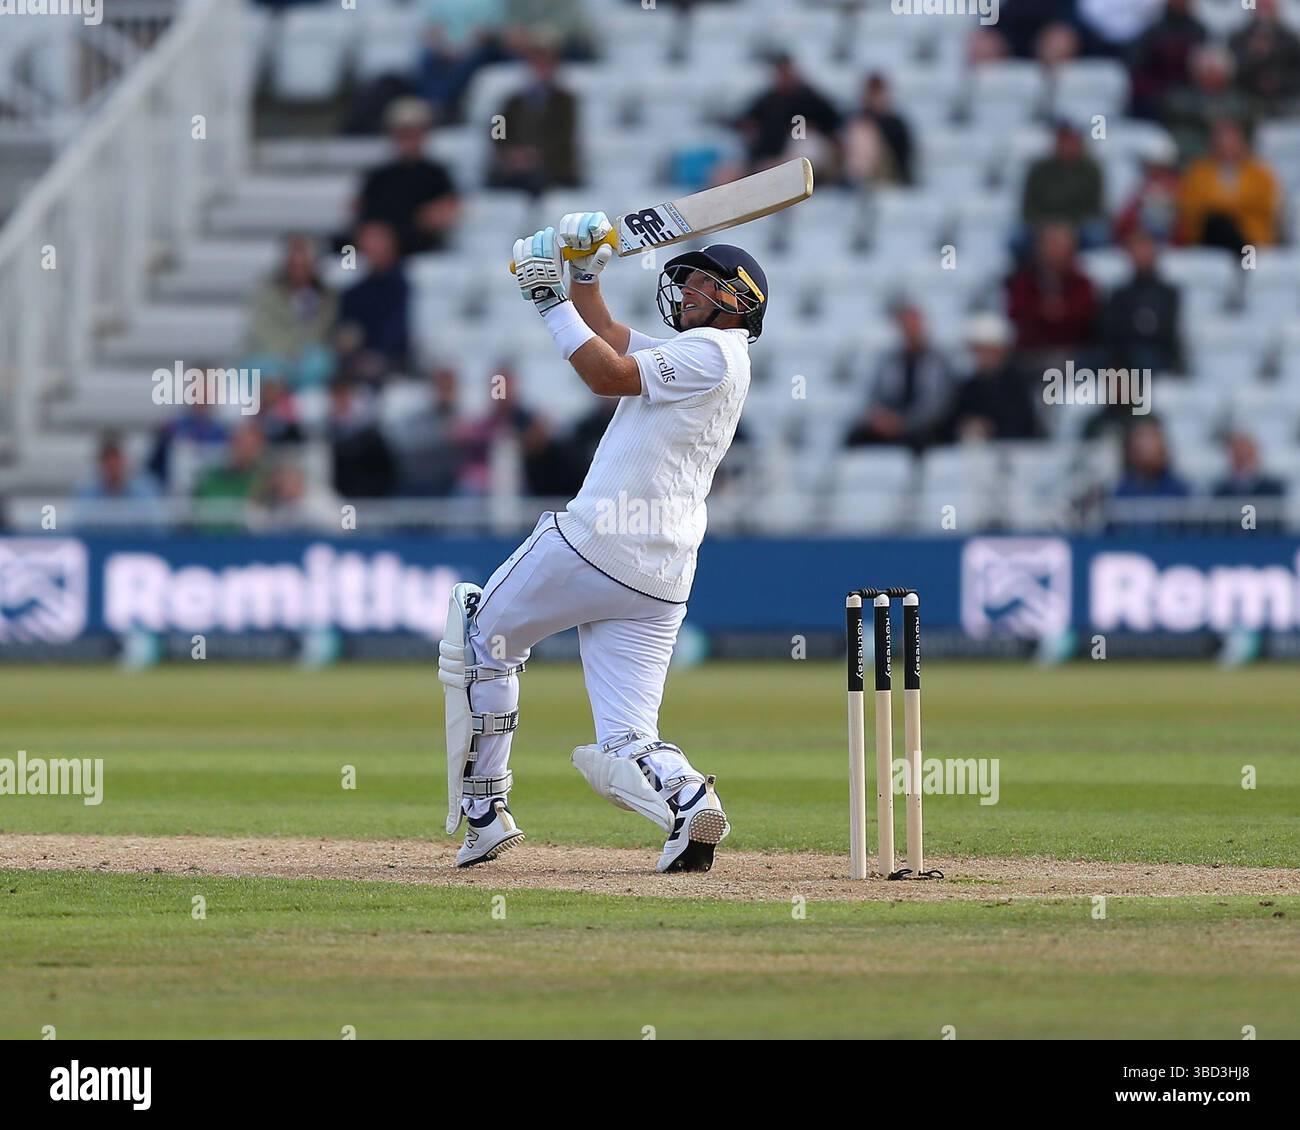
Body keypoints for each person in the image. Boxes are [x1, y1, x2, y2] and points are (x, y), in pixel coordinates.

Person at [439, 213, 763, 873]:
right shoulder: (710, 358)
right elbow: (610, 337)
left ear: (738, 301)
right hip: (660, 576)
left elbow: (605, 374)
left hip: (595, 543)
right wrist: (584, 274)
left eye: (703, 283)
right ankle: (687, 797)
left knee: (480, 632)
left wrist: (545, 297)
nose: (688, 290)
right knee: (627, 736)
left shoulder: (711, 351)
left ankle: (484, 811)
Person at [354, 98, 459, 256]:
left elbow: (448, 209)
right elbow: (364, 218)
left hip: (422, 251)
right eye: (403, 133)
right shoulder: (378, 177)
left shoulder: (436, 174)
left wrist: (433, 216)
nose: (408, 139)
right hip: (380, 254)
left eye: (414, 132)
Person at [844, 302, 954, 451]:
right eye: (906, 325)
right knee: (855, 437)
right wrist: (880, 418)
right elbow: (874, 395)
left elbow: (938, 405)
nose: (910, 330)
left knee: (923, 440)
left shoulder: (938, 361)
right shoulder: (888, 360)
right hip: (890, 421)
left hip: (920, 426)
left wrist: (903, 422)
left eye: (914, 325)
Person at [243, 235, 338, 388]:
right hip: (272, 355)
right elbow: (261, 331)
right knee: (258, 369)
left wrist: (300, 353)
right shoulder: (267, 293)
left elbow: (324, 333)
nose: (299, 271)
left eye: (305, 266)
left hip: (307, 360)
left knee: (321, 362)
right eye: (295, 266)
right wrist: (288, 353)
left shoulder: (327, 296)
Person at [485, 42, 580, 194]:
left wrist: (534, 156)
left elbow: (563, 136)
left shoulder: (565, 101)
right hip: (514, 163)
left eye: (545, 65)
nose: (540, 70)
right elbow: (498, 126)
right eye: (536, 65)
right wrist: (508, 153)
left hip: (550, 166)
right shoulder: (512, 100)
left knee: (536, 180)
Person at [1178, 118, 1281, 250]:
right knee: (1217, 222)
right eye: (1221, 141)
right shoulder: (1198, 172)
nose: (1226, 146)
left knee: (1225, 224)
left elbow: (1265, 206)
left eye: (1231, 141)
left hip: (1249, 234)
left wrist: (1224, 207)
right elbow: (1192, 207)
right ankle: (1243, 257)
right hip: (1209, 235)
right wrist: (1234, 208)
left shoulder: (1260, 174)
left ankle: (1244, 256)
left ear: (1242, 142)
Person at [1006, 223, 1098, 366]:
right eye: (1049, 246)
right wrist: (1045, 312)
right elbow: (1016, 312)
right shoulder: (1024, 281)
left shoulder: (1082, 283)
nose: (1053, 252)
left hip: (1073, 351)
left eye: (1059, 247)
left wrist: (1059, 313)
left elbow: (1086, 317)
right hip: (1030, 352)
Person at [735, 53, 841, 173]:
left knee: (804, 139)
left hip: (805, 151)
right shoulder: (768, 100)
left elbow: (833, 120)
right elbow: (745, 122)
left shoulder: (809, 97)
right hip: (769, 155)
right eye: (780, 73)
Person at [946, 313, 1043, 442]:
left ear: (1000, 351)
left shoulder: (1017, 384)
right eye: (977, 350)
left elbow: (1024, 426)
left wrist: (990, 430)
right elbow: (951, 423)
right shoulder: (970, 386)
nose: (980, 356)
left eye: (985, 349)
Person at [335, 222, 412, 382]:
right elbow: (346, 326)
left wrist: (377, 354)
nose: (371, 247)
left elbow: (398, 330)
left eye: (377, 241)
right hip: (358, 360)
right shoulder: (355, 292)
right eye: (367, 242)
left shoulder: (403, 286)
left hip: (394, 358)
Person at [1100, 229, 1183, 374]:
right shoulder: (1120, 294)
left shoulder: (1168, 293)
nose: (1141, 255)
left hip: (1156, 354)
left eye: (1145, 249)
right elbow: (1111, 330)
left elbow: (1166, 332)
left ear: (1155, 254)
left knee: (1142, 359)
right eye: (1137, 250)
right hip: (1123, 353)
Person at [1021, 122, 1106, 247]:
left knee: (1096, 234)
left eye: (1072, 142)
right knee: (1018, 237)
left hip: (1078, 226)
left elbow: (1096, 208)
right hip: (1043, 226)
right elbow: (1028, 208)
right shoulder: (1038, 169)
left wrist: (1069, 227)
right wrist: (1046, 226)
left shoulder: (1092, 170)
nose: (1068, 147)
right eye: (1064, 142)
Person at [1128, 0, 1208, 120]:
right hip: (1155, 97)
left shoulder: (1199, 31)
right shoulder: (1153, 32)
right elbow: (1138, 70)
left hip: (1191, 96)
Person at [1107, 417, 1189, 532]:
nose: (1146, 448)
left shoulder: (1179, 490)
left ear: (1163, 446)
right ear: (1131, 450)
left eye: (1151, 440)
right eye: (1141, 441)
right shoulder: (1121, 492)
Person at [1229, 0, 1300, 119]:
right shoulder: (1239, 38)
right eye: (1261, 5)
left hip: (1284, 98)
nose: (1264, 10)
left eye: (1268, 5)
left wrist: (1278, 82)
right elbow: (1232, 73)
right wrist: (1253, 55)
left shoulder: (1290, 39)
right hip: (1248, 97)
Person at [843, 73, 913, 187]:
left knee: (863, 133)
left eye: (877, 93)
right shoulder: (854, 118)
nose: (874, 98)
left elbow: (904, 157)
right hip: (857, 170)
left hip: (887, 171)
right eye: (872, 93)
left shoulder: (895, 123)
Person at [1213, 431, 1286, 532]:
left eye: (1246, 455)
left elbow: (1278, 524)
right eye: (1238, 455)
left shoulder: (1273, 488)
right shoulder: (1220, 490)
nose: (1243, 460)